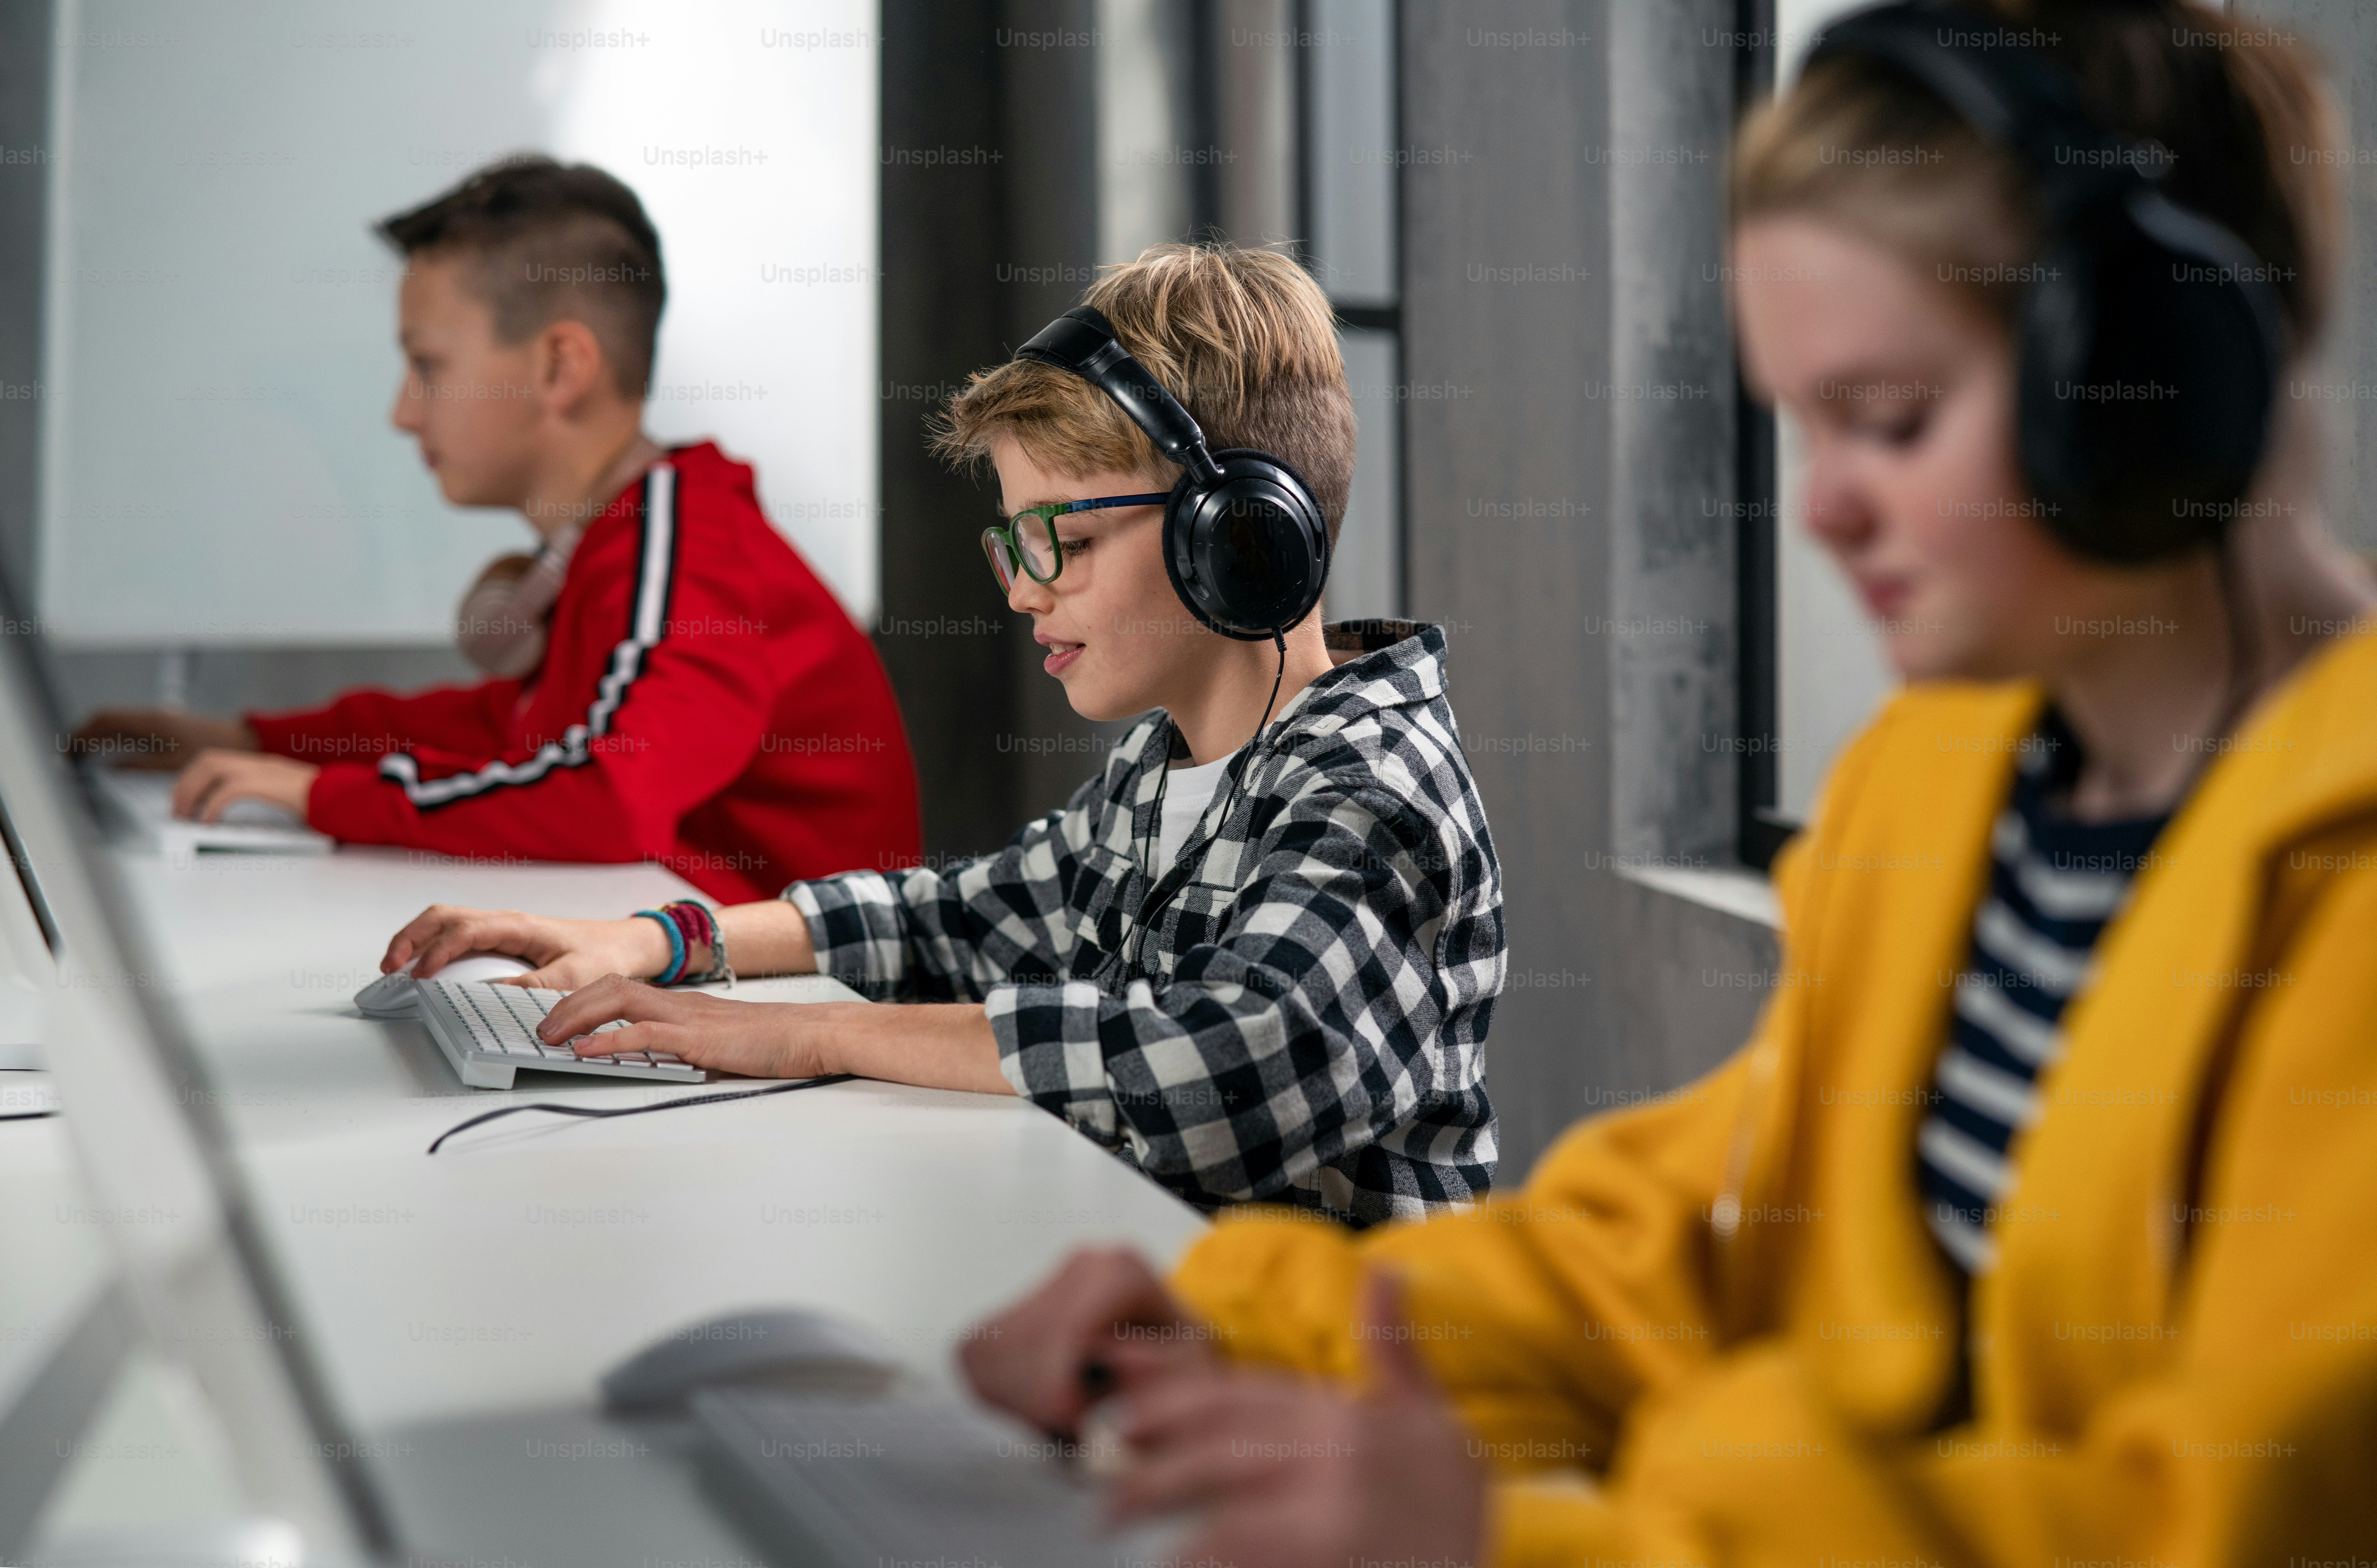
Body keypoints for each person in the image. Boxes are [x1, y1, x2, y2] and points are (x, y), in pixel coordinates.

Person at [954, 5, 2377, 1564]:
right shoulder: (1948, 780)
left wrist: (1516, 1544)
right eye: (1804, 423)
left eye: (1892, 419)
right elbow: (1689, 1250)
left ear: (2156, 377)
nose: (1825, 505)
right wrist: (1235, 1321)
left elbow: (2210, 1520)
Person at [380, 242, 1505, 1227]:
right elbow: (960, 915)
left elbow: (1234, 1071)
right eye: (1012, 543)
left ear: (1237, 536)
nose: (1023, 591)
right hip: (1156, 1338)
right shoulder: (1166, 767)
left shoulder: (1373, 781)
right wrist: (661, 941)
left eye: (1058, 535)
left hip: (1334, 1411)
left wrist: (811, 1036)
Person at [71, 156, 920, 905]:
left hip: (806, 1020)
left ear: (560, 367)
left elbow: (609, 792)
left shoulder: (683, 543)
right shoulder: (623, 541)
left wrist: (326, 794)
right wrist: (252, 743)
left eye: (428, 365)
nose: (403, 413)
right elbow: (503, 731)